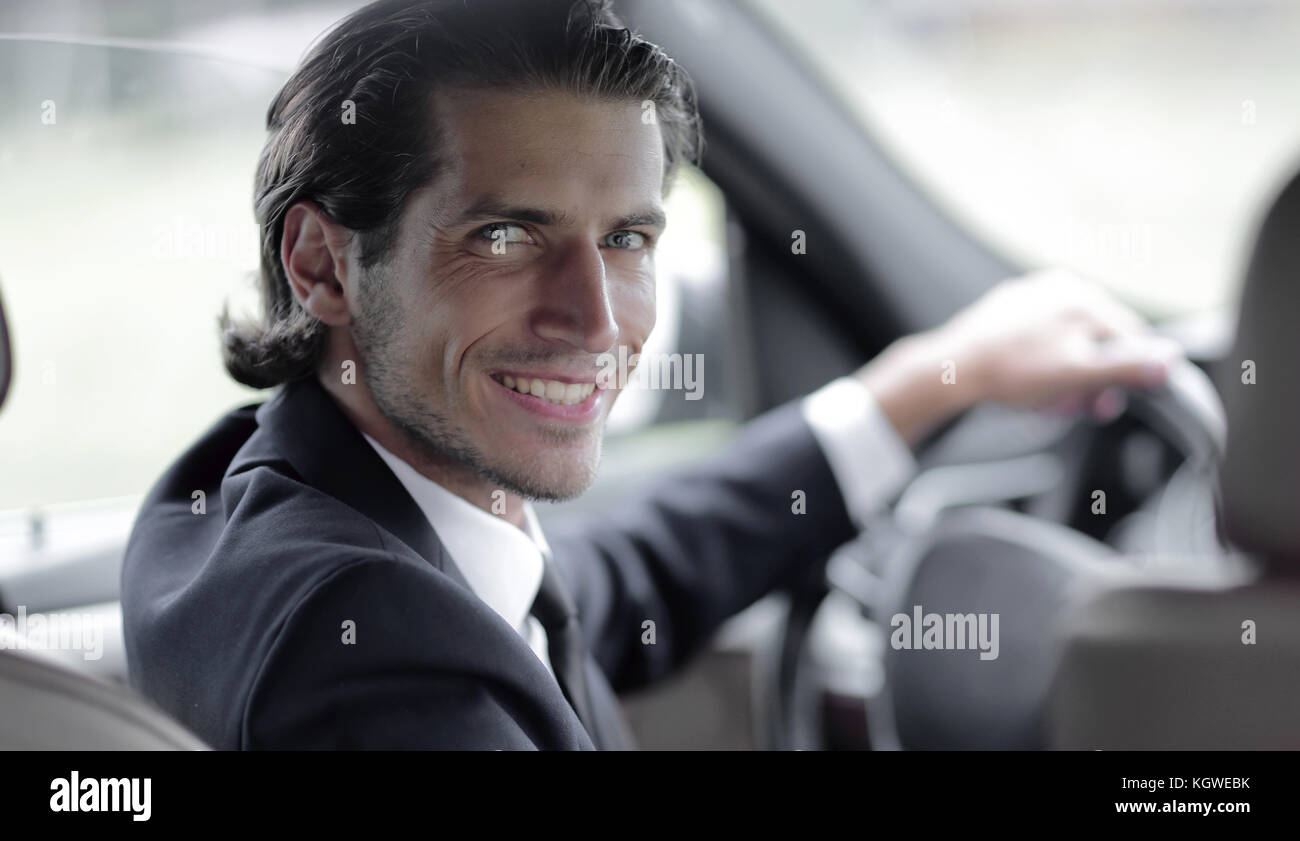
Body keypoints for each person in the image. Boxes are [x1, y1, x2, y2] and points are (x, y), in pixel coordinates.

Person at [121, 0, 1182, 749]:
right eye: (504, 235)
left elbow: (615, 577)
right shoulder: (372, 659)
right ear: (323, 263)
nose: (596, 317)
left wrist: (928, 382)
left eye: (627, 239)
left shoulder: (275, 486)